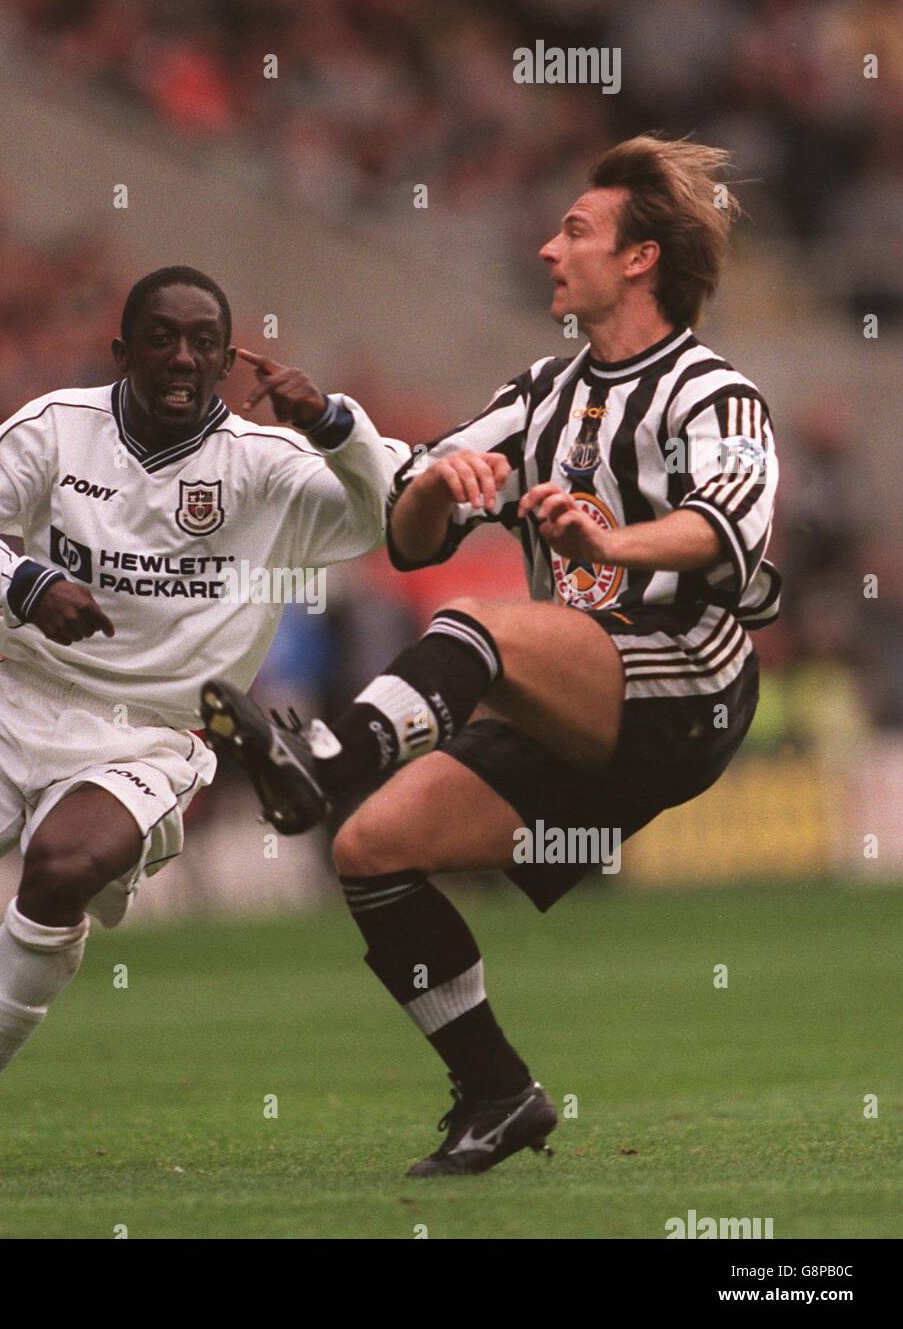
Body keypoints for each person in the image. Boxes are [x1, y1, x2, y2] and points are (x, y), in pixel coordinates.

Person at [0, 265, 407, 1175]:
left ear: (226, 356)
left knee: (61, 866)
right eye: (161, 338)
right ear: (121, 351)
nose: (182, 357)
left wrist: (333, 424)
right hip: (20, 698)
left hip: (155, 730)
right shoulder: (56, 428)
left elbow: (386, 513)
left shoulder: (266, 465)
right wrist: (26, 580)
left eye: (203, 342)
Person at [201, 137, 782, 1178]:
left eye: (575, 229)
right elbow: (411, 529)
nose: (548, 247)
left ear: (640, 258)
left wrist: (609, 543)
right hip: (573, 702)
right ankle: (496, 1092)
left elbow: (726, 530)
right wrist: (439, 480)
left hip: (686, 679)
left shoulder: (714, 393)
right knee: (372, 849)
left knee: (486, 622)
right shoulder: (542, 391)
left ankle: (325, 761)